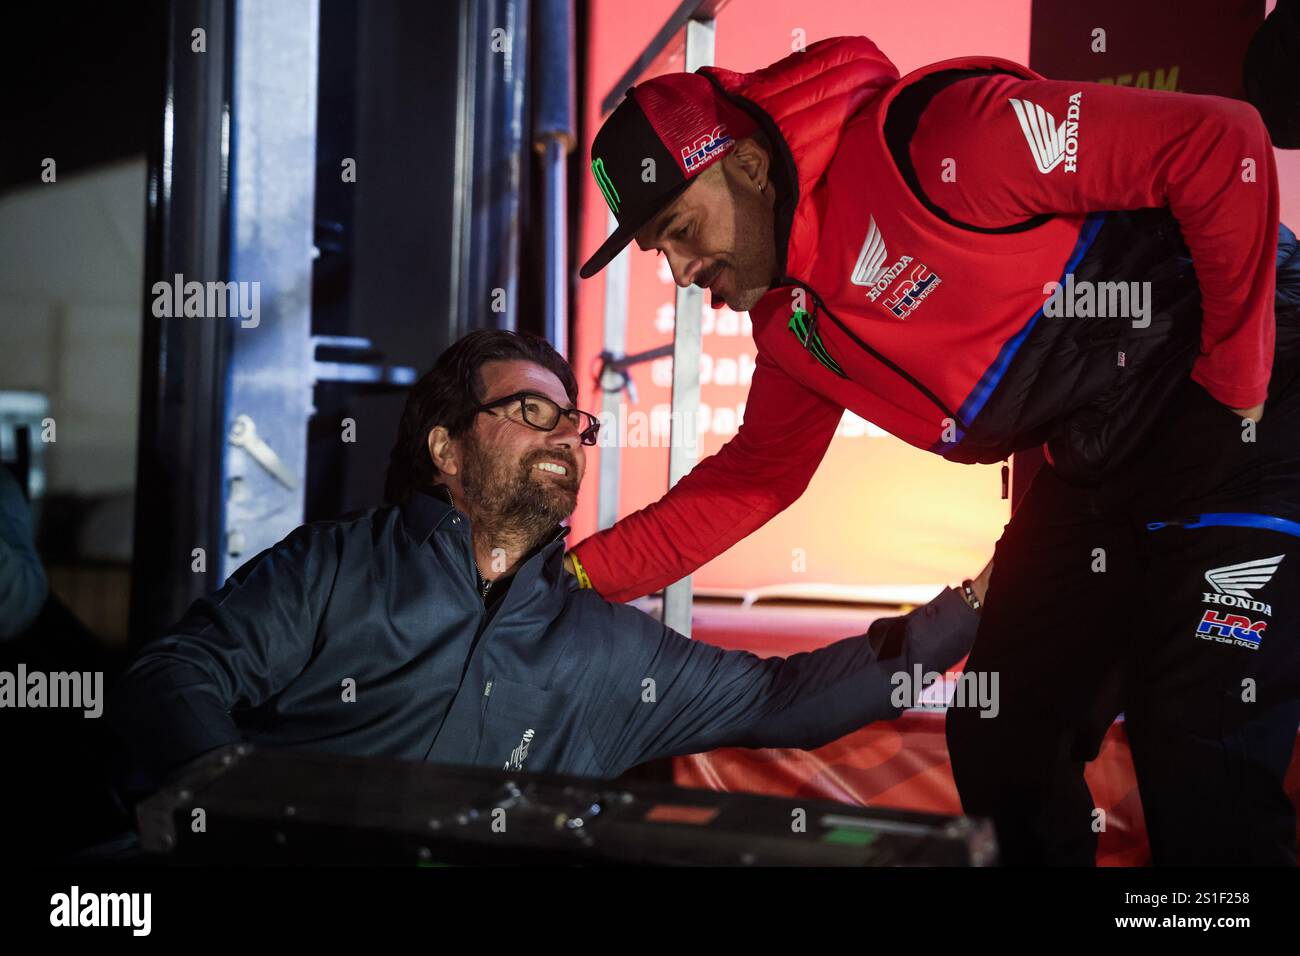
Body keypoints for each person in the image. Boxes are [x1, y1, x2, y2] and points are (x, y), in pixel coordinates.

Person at [569, 34, 1300, 864]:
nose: (679, 269)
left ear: (747, 166)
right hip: (1099, 452)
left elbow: (1220, 143)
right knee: (1000, 731)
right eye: (658, 250)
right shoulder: (791, 323)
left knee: (1201, 747)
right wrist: (579, 577)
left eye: (680, 230)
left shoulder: (946, 138)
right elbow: (758, 477)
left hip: (1253, 398)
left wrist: (1236, 385)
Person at [108, 330, 987, 805]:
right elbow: (178, 670)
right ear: (447, 447)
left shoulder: (609, 651)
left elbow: (790, 704)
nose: (566, 429)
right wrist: (229, 798)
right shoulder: (334, 567)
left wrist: (975, 605)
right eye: (533, 410)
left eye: (575, 420)